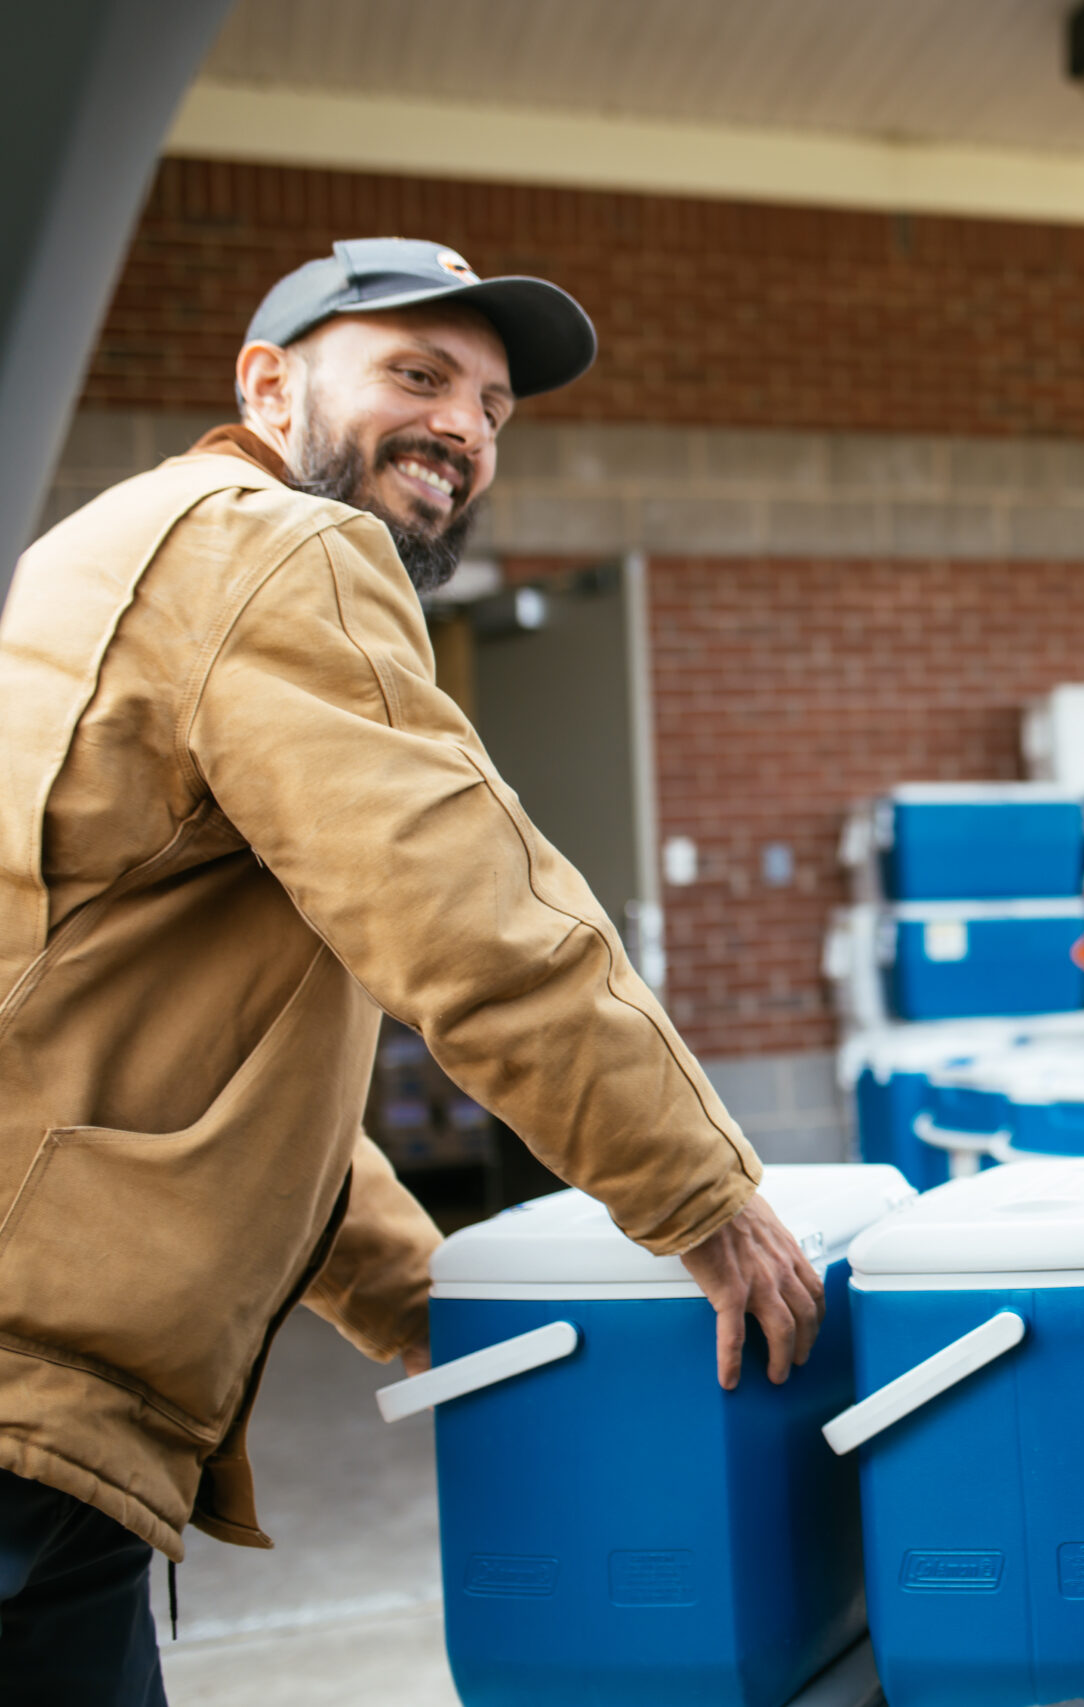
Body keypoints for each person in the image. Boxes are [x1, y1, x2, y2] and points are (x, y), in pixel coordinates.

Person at [0, 240, 824, 1703]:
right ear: (266, 384)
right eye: (416, 375)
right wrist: (705, 1196)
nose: (464, 427)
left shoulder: (123, 544)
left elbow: (196, 1078)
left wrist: (443, 1306)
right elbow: (473, 919)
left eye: (495, 407)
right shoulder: (281, 548)